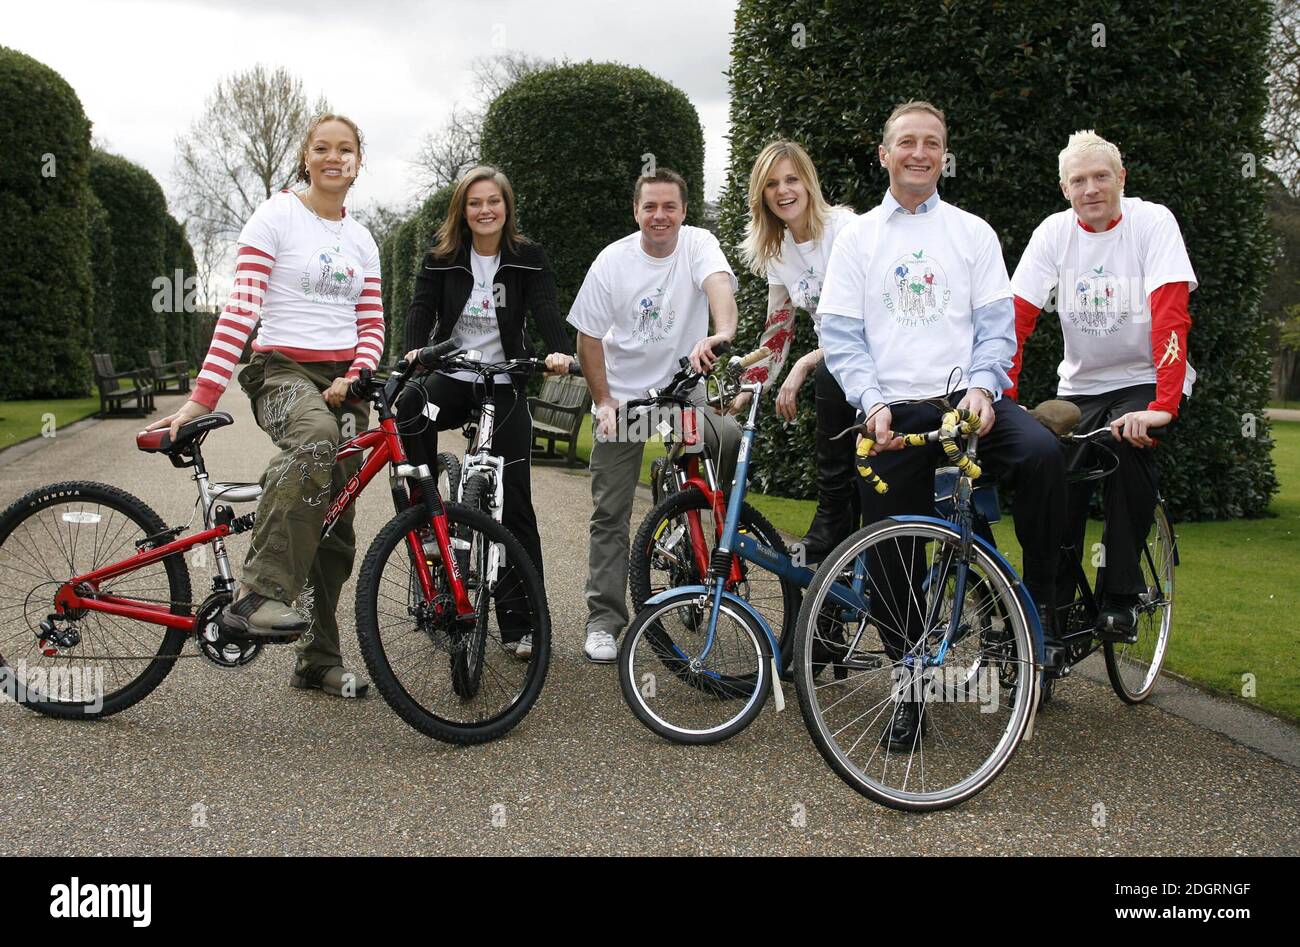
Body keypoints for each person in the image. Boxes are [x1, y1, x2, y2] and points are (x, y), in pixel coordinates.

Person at [819, 100, 1066, 746]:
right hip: (893, 408)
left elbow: (997, 328)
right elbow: (841, 337)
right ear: (885, 154)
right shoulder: (858, 238)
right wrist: (871, 402)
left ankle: (1038, 621)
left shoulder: (973, 233)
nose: (920, 153)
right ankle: (910, 680)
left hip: (966, 399)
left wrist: (986, 388)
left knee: (1043, 456)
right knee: (888, 549)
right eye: (907, 142)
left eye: (932, 142)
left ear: (944, 153)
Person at [148, 114, 384, 698]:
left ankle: (318, 660)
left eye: (346, 149)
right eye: (322, 148)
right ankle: (257, 594)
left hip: (344, 384)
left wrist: (358, 374)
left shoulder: (363, 239)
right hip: (282, 371)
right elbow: (240, 311)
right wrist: (201, 397)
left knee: (335, 526)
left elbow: (373, 325)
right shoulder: (277, 215)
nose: (335, 157)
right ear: (306, 157)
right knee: (312, 439)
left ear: (359, 162)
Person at [1007, 130, 1196, 641]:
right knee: (1048, 475)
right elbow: (1015, 321)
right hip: (1080, 387)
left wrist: (1162, 406)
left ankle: (1120, 597)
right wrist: (1003, 402)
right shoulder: (1053, 233)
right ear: (1065, 188)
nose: (1091, 188)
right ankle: (1047, 613)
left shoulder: (1152, 222)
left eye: (1101, 176)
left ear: (1121, 179)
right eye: (1078, 180)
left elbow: (1170, 314)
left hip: (1142, 380)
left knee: (1125, 447)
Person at [394, 165, 573, 659]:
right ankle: (429, 512)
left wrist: (559, 352)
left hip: (503, 383)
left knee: (514, 500)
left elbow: (545, 307)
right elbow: (419, 309)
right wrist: (414, 352)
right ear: (462, 210)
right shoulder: (442, 257)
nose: (485, 210)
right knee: (412, 405)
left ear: (506, 207)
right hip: (452, 377)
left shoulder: (527, 257)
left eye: (493, 201)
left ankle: (523, 626)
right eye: (475, 203)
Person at [567, 168, 742, 663]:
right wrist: (603, 402)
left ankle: (694, 533)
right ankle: (604, 619)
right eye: (650, 207)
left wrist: (720, 334)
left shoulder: (699, 243)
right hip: (626, 399)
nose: (660, 216)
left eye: (670, 207)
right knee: (610, 511)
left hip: (682, 392)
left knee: (725, 438)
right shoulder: (612, 261)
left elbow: (719, 290)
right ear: (636, 211)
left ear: (684, 212)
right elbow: (589, 337)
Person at [735, 140, 857, 562]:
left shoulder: (844, 229)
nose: (783, 190)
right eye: (771, 184)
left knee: (827, 379)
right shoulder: (778, 249)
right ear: (761, 195)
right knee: (840, 460)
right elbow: (779, 330)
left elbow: (867, 321)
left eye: (791, 179)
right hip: (838, 365)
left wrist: (806, 362)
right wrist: (750, 386)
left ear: (808, 182)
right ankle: (834, 559)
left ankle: (837, 531)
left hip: (871, 357)